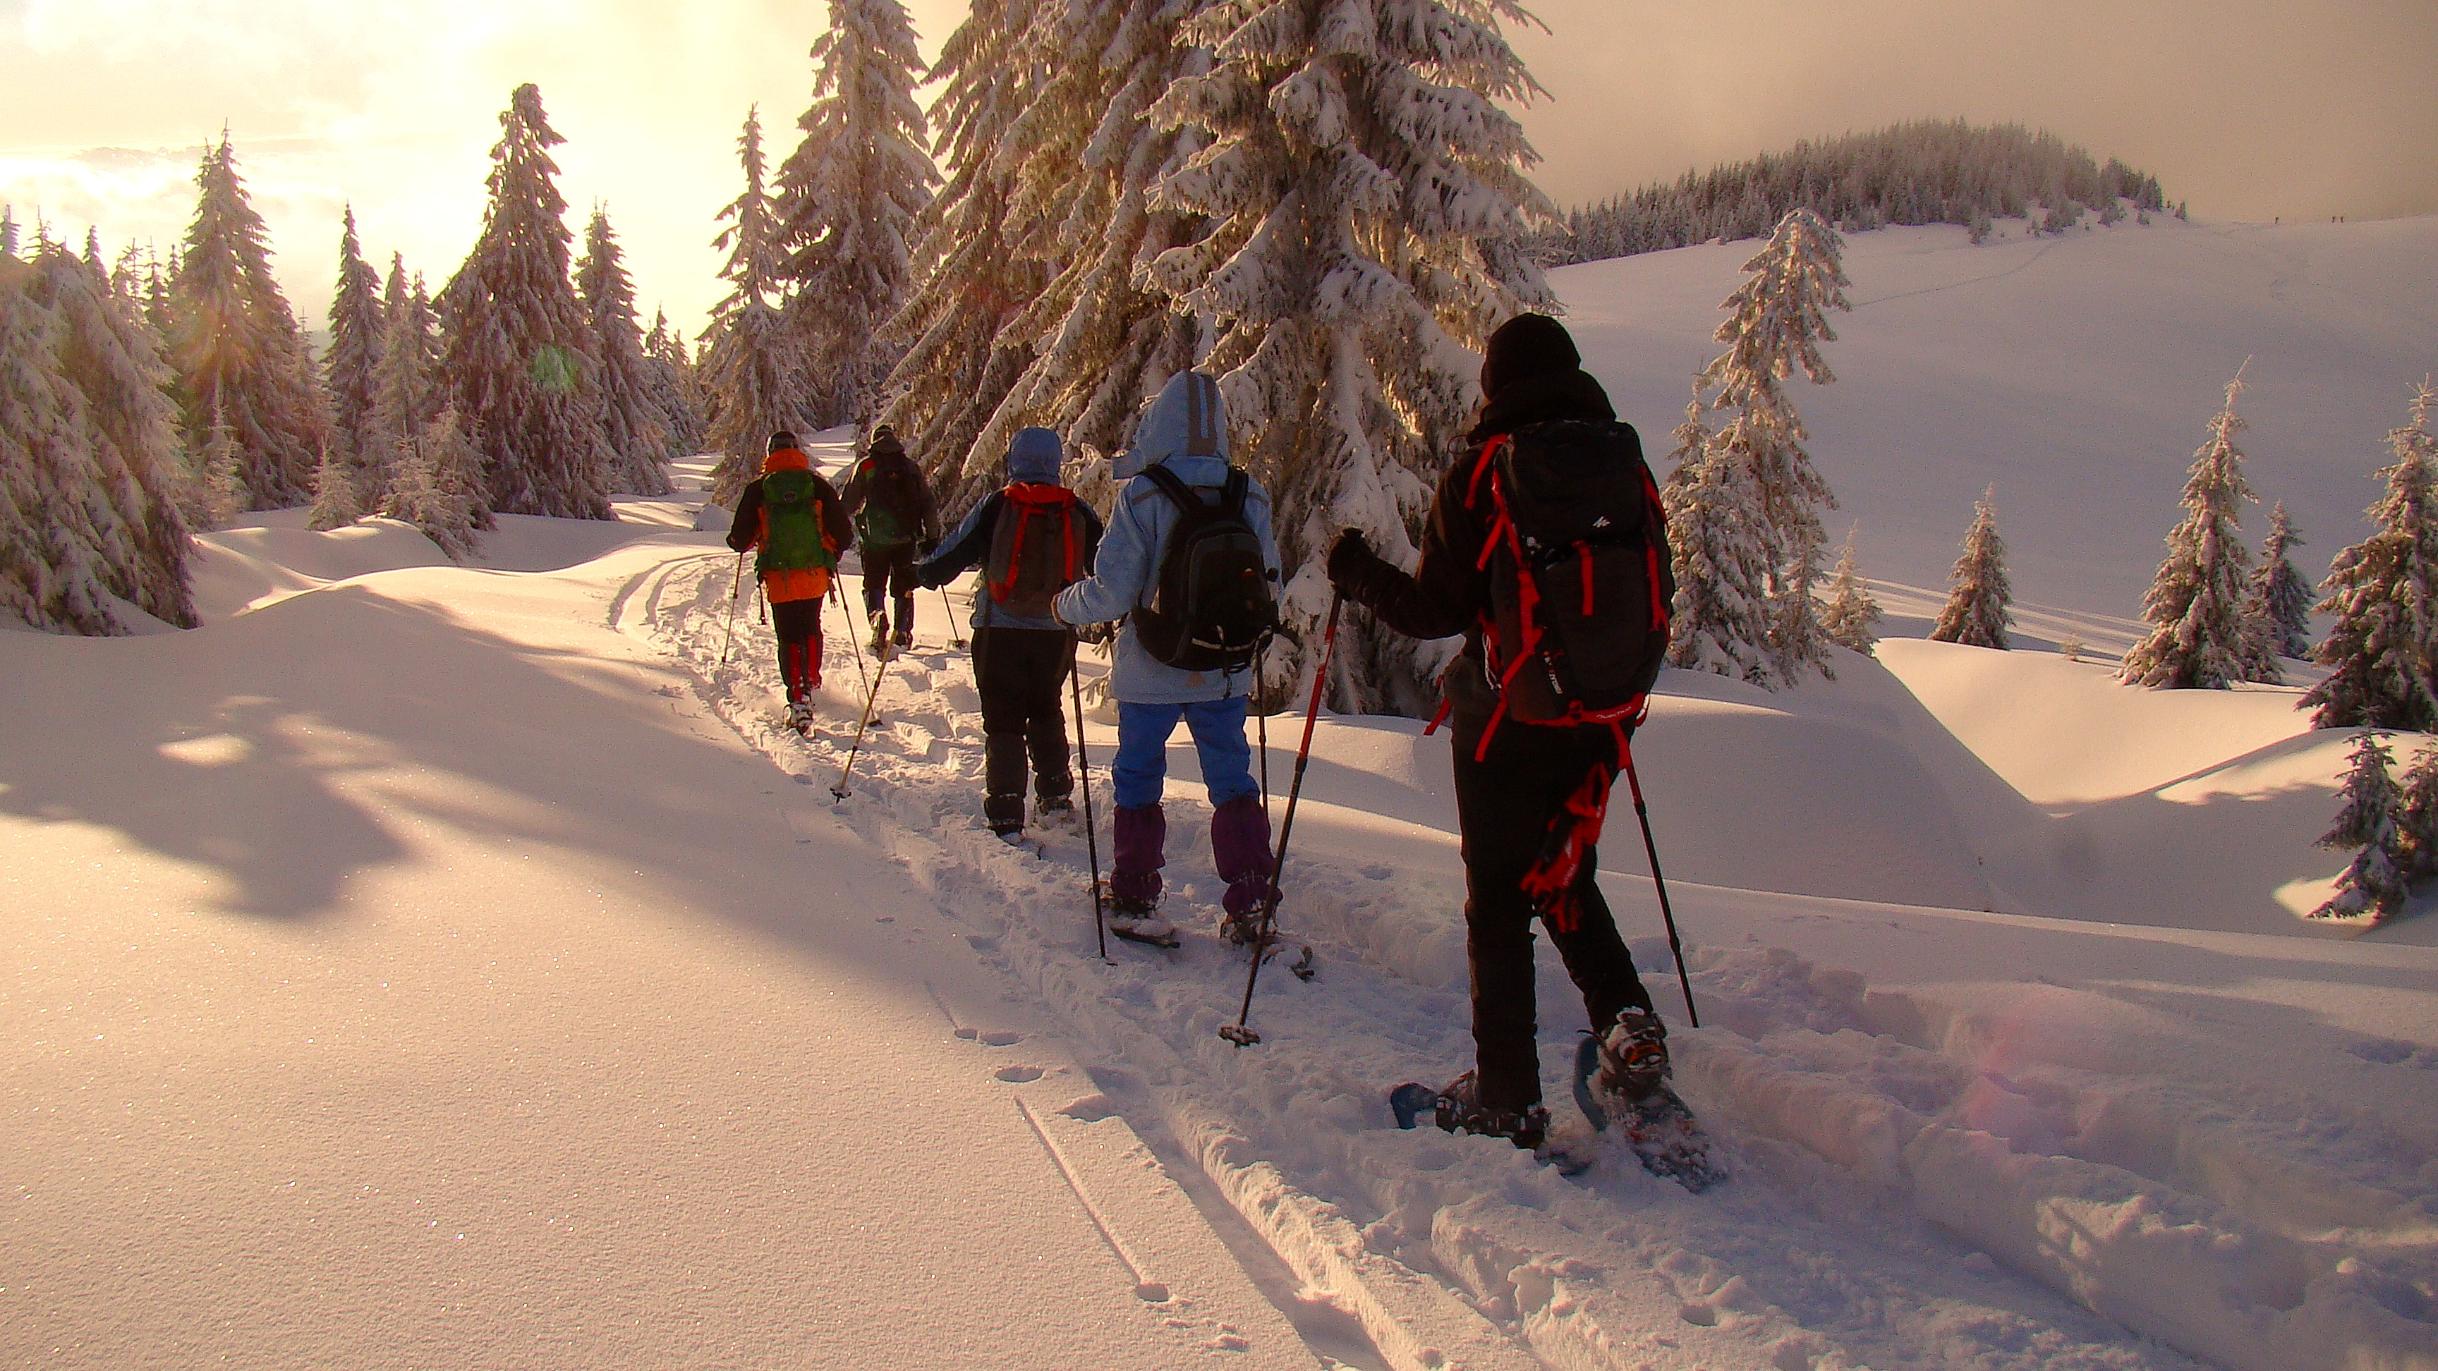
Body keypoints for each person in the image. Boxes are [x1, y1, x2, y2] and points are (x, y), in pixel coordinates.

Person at [1325, 313, 1672, 1151]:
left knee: (1497, 902)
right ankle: (1629, 1028)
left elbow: (1433, 609)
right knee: (1564, 874)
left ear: (1496, 387)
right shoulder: (1626, 464)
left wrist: (1355, 569)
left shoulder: (1483, 474)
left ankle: (1508, 1094)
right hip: (1603, 714)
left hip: (1506, 723)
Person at [1052, 372, 1281, 945]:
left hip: (1151, 667)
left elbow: (1111, 591)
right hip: (1223, 667)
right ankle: (1252, 898)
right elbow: (1268, 577)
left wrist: (1063, 606)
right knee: (1232, 779)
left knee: (1137, 776)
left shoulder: (1144, 494)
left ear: (1159, 425)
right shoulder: (1246, 491)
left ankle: (1135, 891)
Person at [917, 427, 1105, 842]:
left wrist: (923, 574)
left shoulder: (999, 504)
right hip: (1056, 629)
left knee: (1003, 721)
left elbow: (953, 552)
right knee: (1045, 708)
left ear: (1014, 459)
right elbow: (1106, 566)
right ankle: (1055, 797)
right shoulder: (1077, 510)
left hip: (998, 629)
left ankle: (1005, 813)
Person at [727, 431, 854, 734]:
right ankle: (811, 681)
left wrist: (740, 540)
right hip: (814, 575)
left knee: (788, 634)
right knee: (810, 625)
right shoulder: (817, 486)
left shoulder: (759, 490)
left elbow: (740, 539)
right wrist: (830, 552)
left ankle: (797, 697)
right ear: (798, 451)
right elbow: (845, 534)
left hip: (779, 577)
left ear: (769, 453)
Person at [840, 423, 940, 658]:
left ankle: (877, 619)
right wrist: (932, 536)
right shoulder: (909, 467)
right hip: (906, 538)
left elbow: (847, 504)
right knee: (903, 585)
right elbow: (928, 503)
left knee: (874, 584)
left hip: (875, 540)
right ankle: (903, 632)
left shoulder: (866, 467)